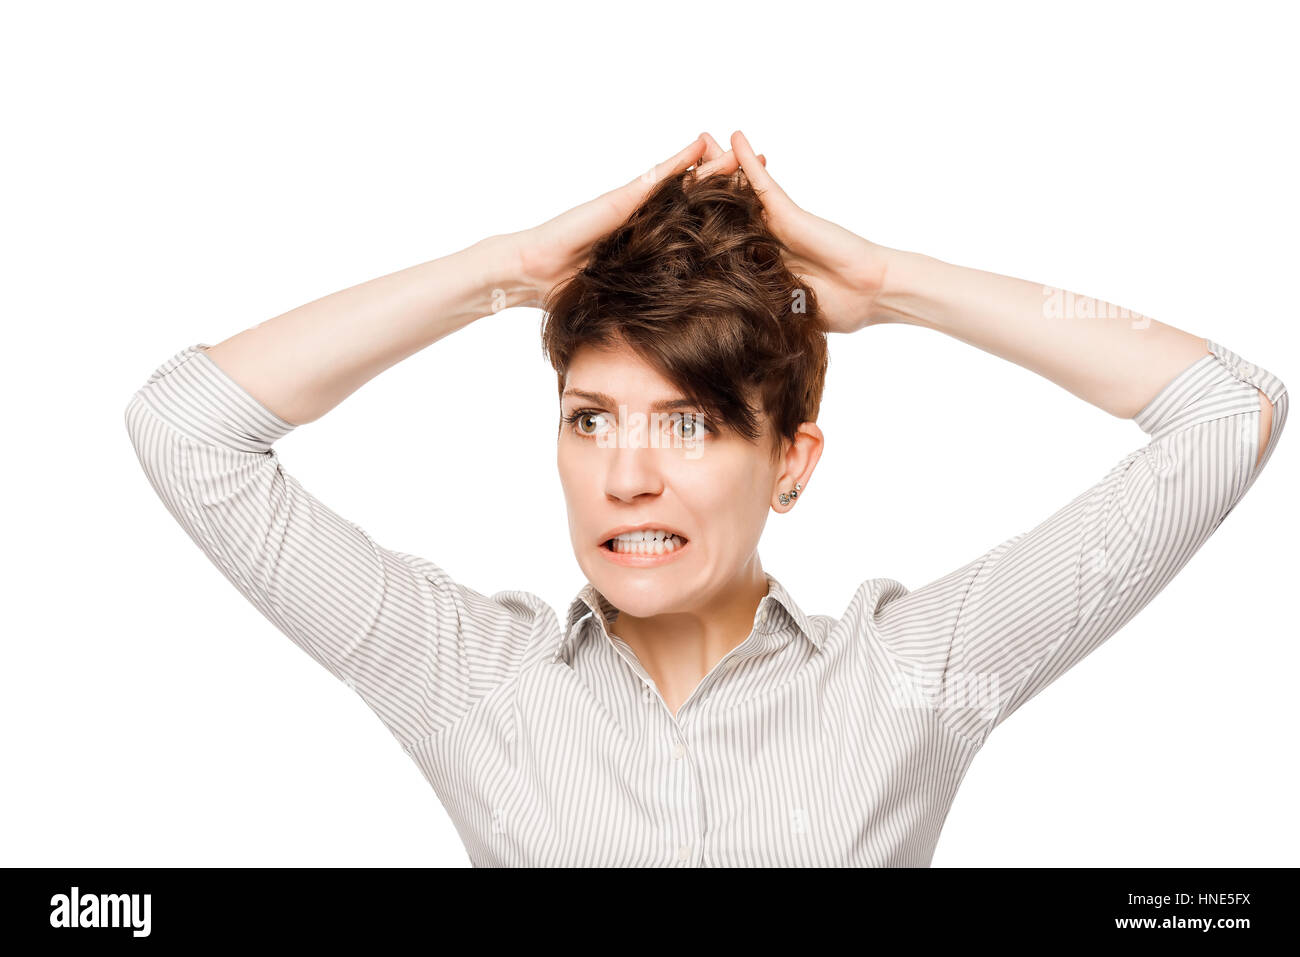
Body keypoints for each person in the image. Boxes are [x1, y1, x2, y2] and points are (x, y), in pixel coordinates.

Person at [124, 131, 1286, 866]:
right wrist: (504, 275)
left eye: (689, 422)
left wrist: (888, 288)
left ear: (792, 461)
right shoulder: (467, 678)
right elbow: (187, 427)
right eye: (592, 419)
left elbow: (1229, 412)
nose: (628, 473)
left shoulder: (911, 678)